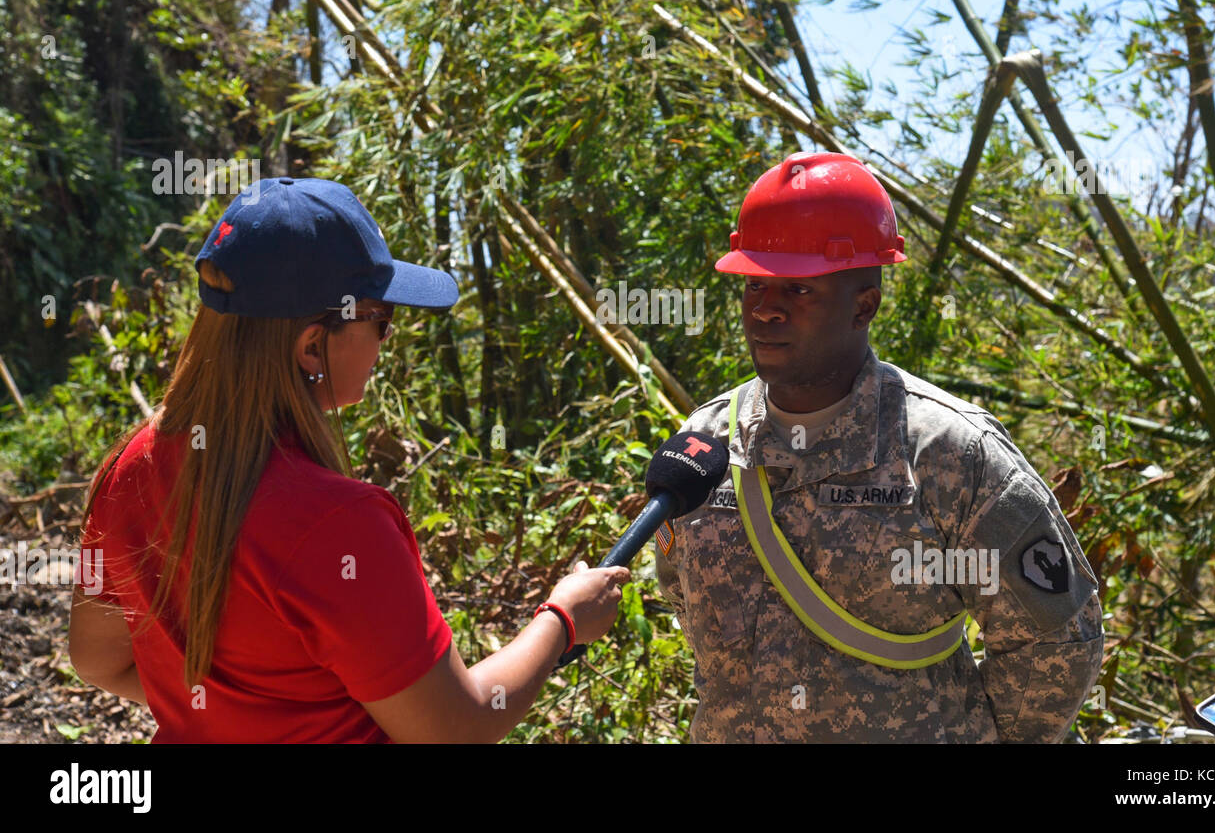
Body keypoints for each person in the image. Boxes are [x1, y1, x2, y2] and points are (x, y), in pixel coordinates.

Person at [69, 176, 629, 743]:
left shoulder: (129, 470)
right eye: (381, 321)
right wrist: (563, 621)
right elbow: (459, 727)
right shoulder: (339, 523)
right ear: (313, 345)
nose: (385, 342)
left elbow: (98, 661)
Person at [655, 152, 1104, 743]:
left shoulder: (948, 454)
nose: (764, 309)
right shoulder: (706, 446)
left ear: (864, 304)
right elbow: (681, 598)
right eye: (755, 285)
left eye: (798, 289)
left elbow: (1056, 636)